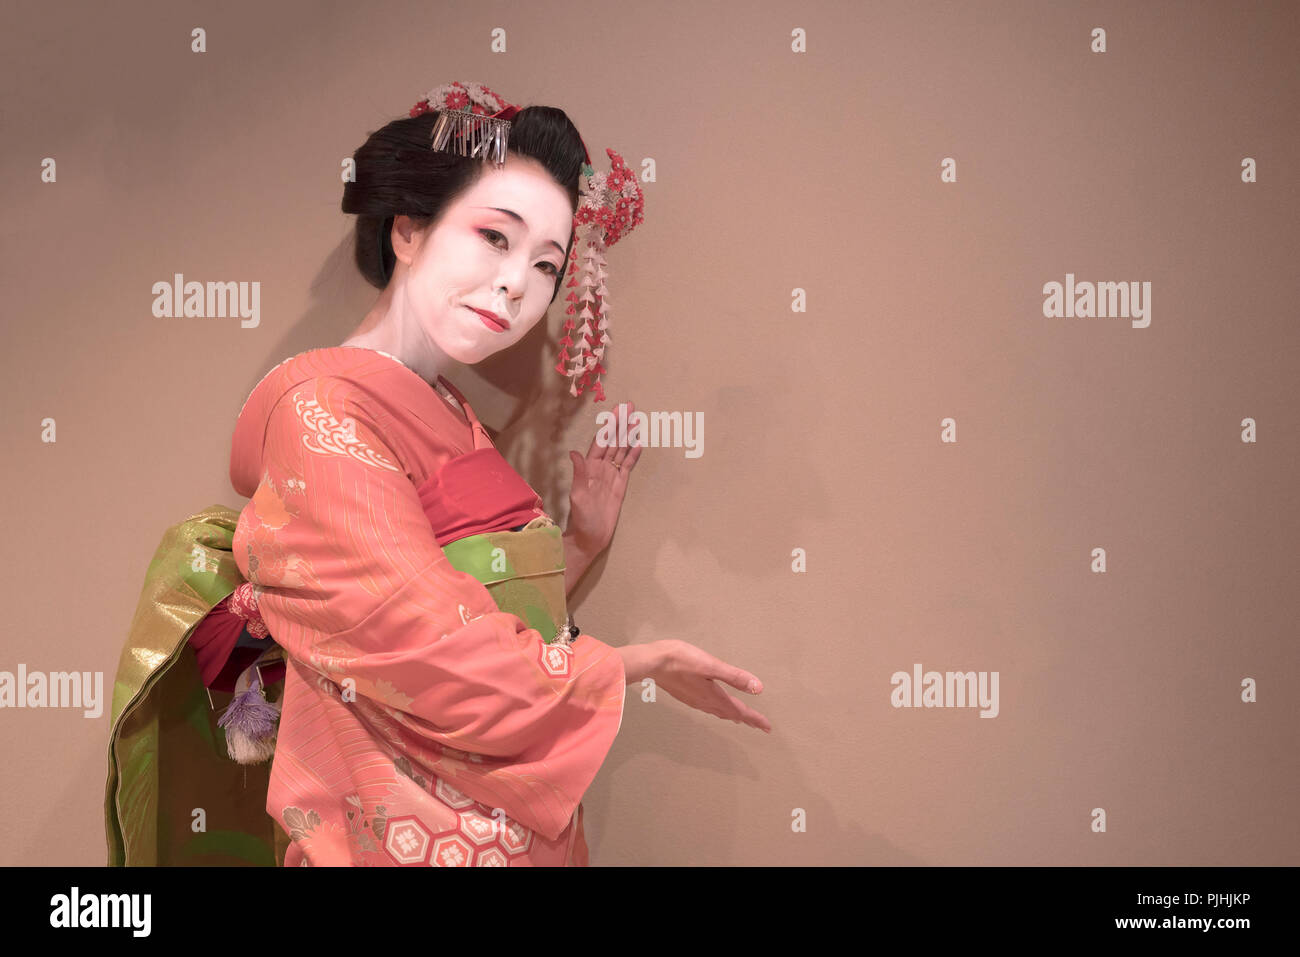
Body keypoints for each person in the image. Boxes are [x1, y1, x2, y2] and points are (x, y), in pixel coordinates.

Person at [106, 82, 768, 868]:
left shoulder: (450, 409)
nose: (518, 282)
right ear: (410, 228)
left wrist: (579, 547)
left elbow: (473, 598)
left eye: (546, 264)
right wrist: (629, 665)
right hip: (404, 835)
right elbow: (418, 641)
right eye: (495, 236)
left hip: (505, 831)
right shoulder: (321, 411)